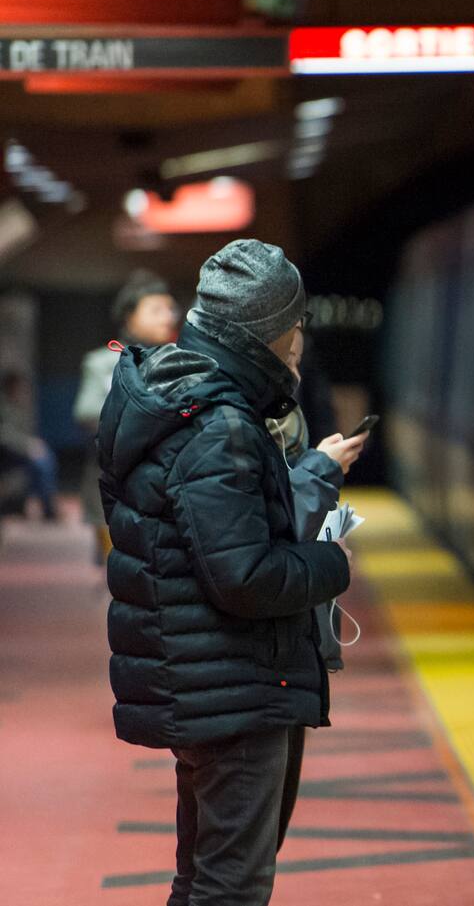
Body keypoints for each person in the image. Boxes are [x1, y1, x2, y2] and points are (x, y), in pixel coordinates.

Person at [98, 239, 351, 906]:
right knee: (232, 886)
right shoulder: (222, 425)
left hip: (202, 677)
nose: (299, 348)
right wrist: (331, 563)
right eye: (293, 332)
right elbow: (243, 575)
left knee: (204, 878)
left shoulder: (172, 395)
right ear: (268, 335)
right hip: (235, 683)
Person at [266, 326, 367, 850]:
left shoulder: (249, 419)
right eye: (289, 358)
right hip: (252, 677)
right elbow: (256, 552)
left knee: (233, 858)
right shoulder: (227, 426)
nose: (297, 374)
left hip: (263, 674)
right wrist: (330, 563)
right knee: (237, 863)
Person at [74, 269, 179, 560]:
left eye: (169, 308)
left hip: (167, 485)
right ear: (129, 317)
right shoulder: (102, 362)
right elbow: (85, 413)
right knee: (120, 570)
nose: (167, 316)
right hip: (112, 485)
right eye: (156, 309)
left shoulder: (178, 361)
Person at [0, 370, 59, 521]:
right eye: (21, 387)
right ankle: (48, 510)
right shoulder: (4, 407)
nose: (24, 392)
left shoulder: (18, 407)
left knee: (43, 459)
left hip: (14, 452)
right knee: (41, 463)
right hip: (6, 453)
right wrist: (27, 445)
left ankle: (30, 505)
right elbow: (5, 434)